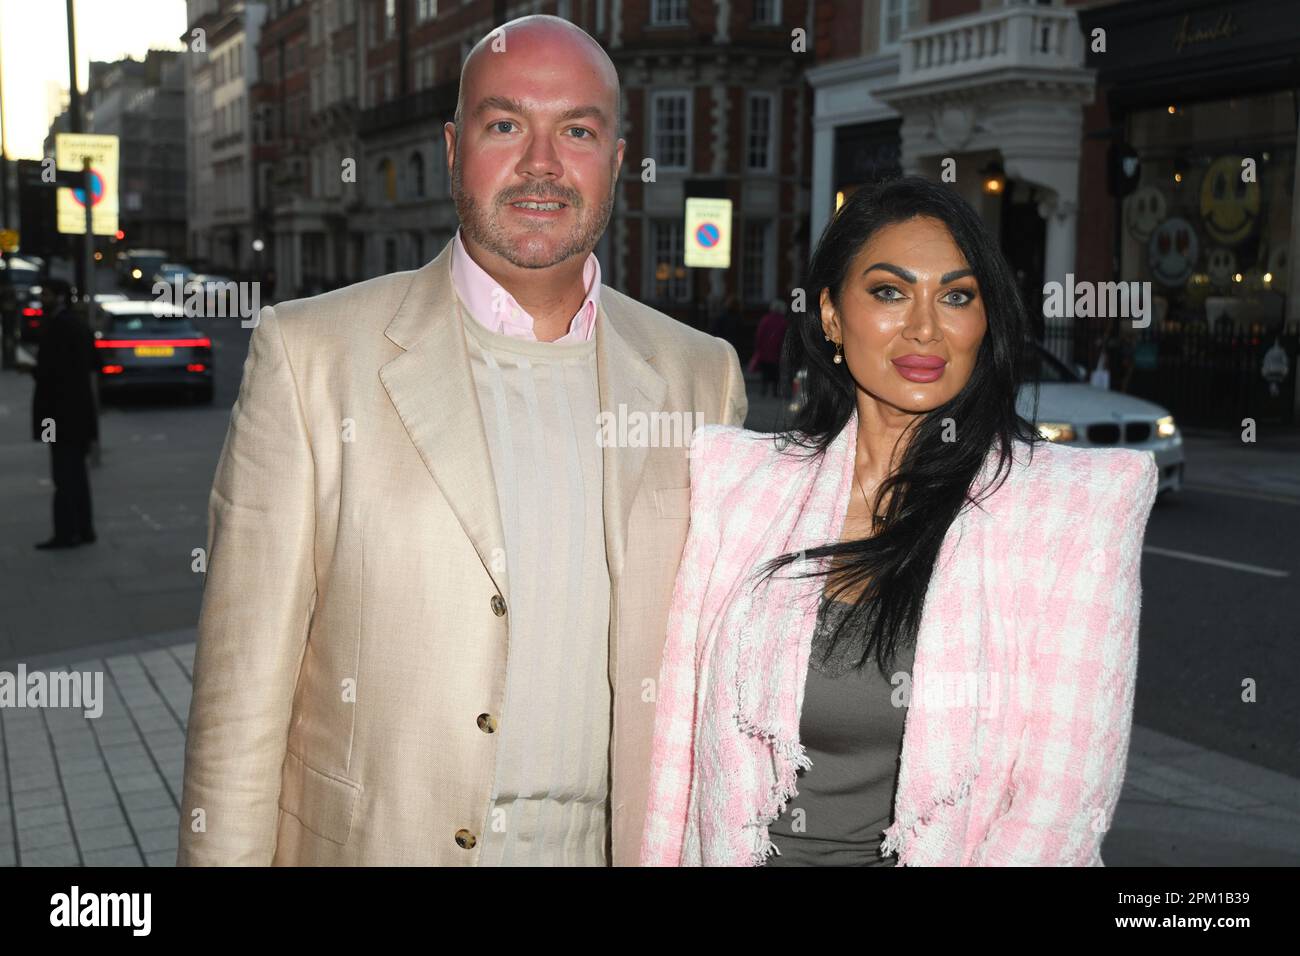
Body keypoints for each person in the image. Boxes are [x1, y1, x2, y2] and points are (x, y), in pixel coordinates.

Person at [177, 14, 747, 867]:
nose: (543, 165)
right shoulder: (310, 355)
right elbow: (239, 698)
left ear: (619, 161)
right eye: (507, 124)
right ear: (452, 148)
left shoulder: (702, 375)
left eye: (579, 131)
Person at [641, 177, 1158, 866]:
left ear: (986, 320)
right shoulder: (741, 484)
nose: (925, 326)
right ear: (830, 314)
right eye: (889, 291)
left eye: (956, 296)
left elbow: (1058, 809)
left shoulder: (1072, 510)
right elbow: (681, 745)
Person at [30, 278, 98, 549]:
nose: (41, 299)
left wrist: (33, 370)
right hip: (78, 414)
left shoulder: (60, 326)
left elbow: (52, 372)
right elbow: (94, 362)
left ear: (58, 297)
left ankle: (65, 534)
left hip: (61, 415)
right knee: (77, 475)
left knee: (63, 476)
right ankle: (84, 529)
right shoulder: (77, 324)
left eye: (45, 294)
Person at [751, 298, 788, 397]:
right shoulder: (783, 321)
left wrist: (758, 347)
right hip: (777, 350)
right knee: (776, 372)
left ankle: (764, 389)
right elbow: (785, 336)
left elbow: (759, 334)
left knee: (765, 372)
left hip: (765, 350)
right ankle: (775, 391)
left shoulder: (765, 319)